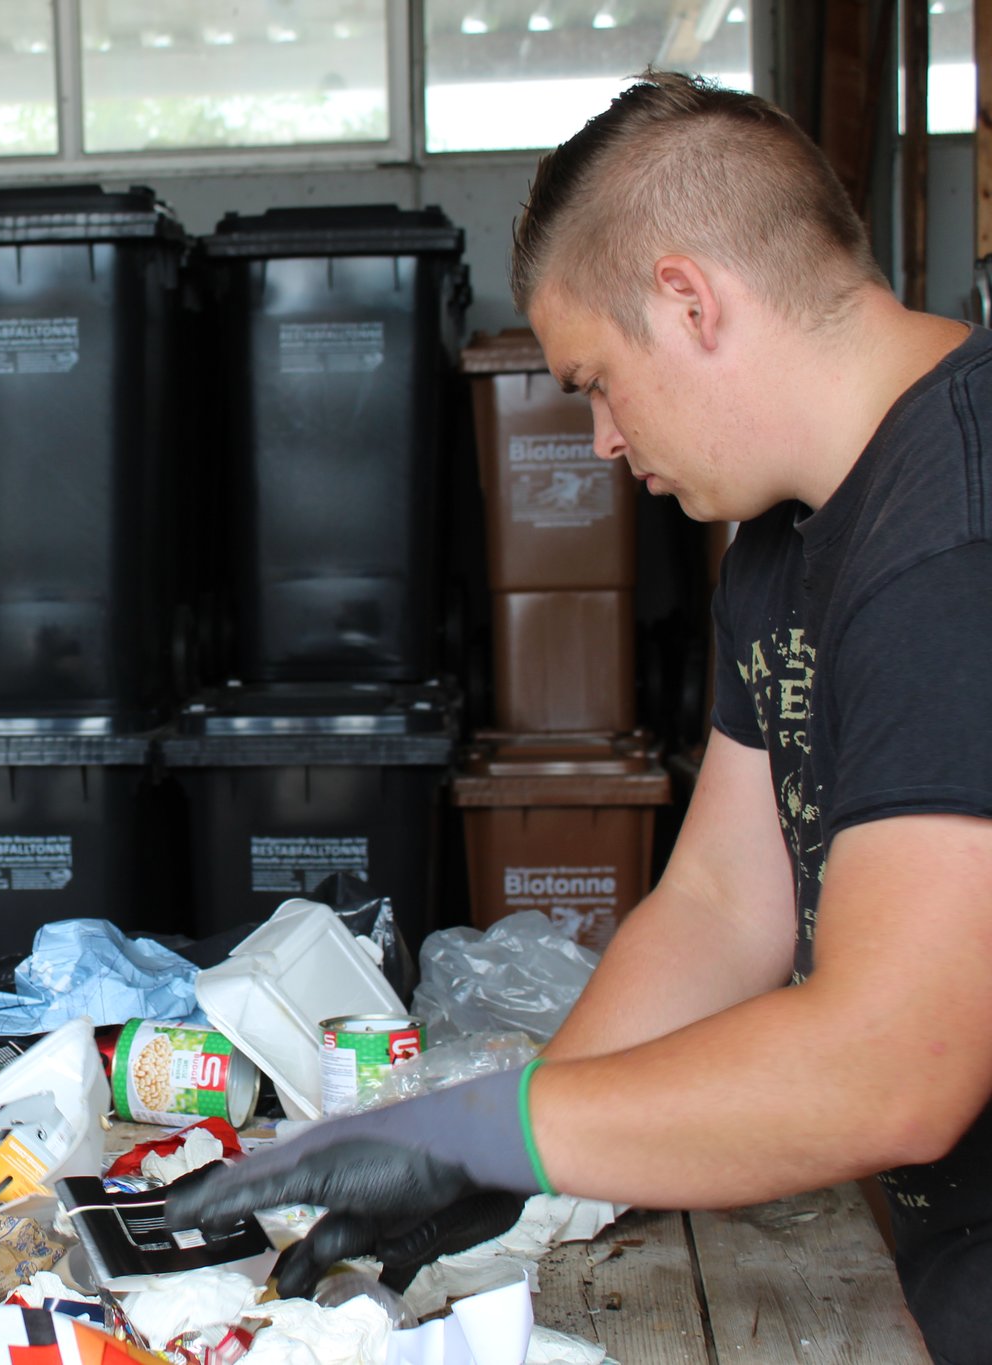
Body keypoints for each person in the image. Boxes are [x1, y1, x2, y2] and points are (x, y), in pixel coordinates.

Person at [167, 72, 992, 1363]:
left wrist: (497, 1133)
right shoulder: (782, 543)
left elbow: (898, 1058)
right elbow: (723, 901)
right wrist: (504, 1150)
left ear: (689, 300)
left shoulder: (957, 527)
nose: (600, 440)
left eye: (598, 381)